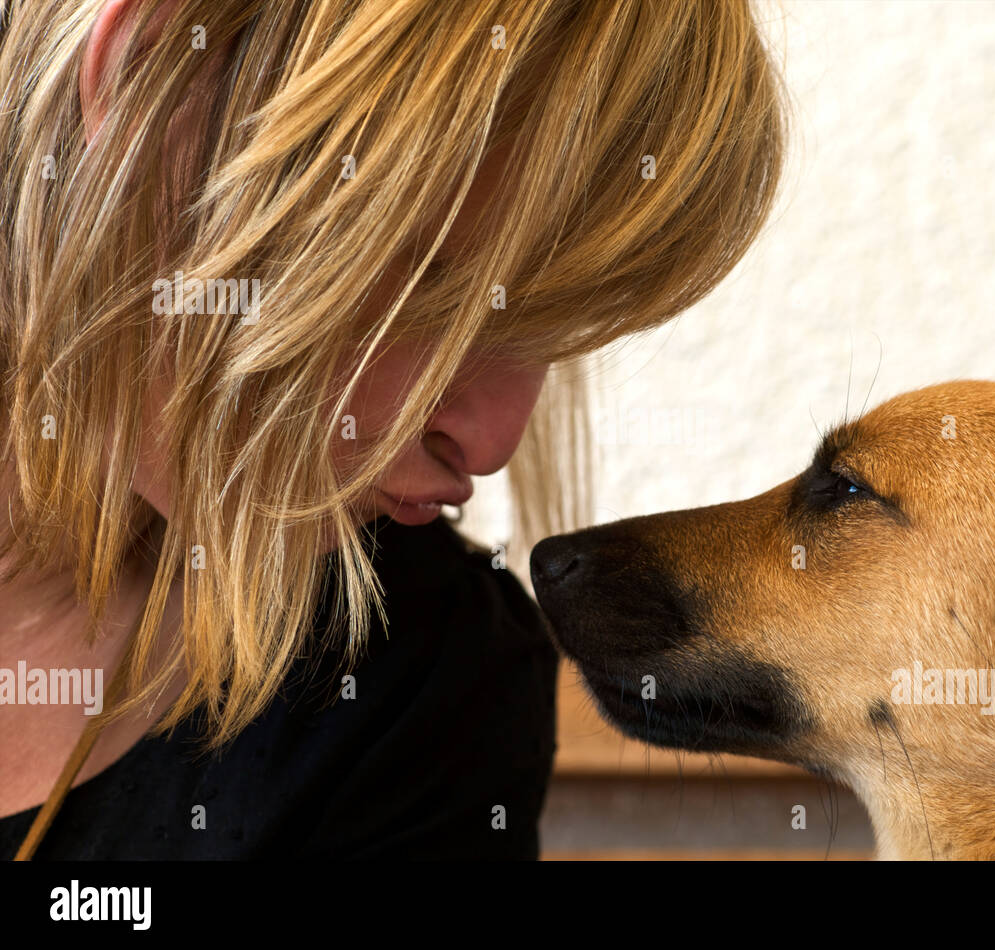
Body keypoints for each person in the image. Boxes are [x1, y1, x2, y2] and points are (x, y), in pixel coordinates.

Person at [0, 0, 787, 858]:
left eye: (555, 341)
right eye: (436, 293)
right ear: (155, 80)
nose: (493, 444)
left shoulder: (421, 687)